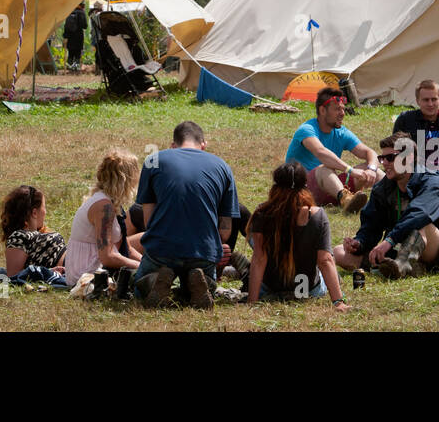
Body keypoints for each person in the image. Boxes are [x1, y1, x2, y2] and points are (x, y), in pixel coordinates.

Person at [336, 132, 439, 279]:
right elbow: (371, 225)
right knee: (339, 252)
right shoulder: (383, 188)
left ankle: (401, 266)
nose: (384, 163)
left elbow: (419, 213)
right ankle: (399, 267)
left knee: (420, 223)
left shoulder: (431, 182)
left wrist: (389, 241)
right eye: (382, 158)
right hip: (398, 247)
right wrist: (359, 243)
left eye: (390, 158)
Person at [132, 121, 239, 309]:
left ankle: (154, 280)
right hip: (203, 250)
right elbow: (225, 230)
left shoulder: (153, 160)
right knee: (200, 283)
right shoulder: (223, 167)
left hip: (162, 248)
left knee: (138, 288)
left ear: (173, 145)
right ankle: (200, 283)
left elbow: (148, 221)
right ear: (203, 144)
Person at [246, 162, 347, 311]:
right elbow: (325, 261)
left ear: (275, 187)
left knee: (253, 241)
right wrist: (338, 302)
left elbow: (260, 259)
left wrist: (252, 301)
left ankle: (242, 271)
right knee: (331, 268)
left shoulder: (262, 212)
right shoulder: (317, 216)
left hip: (271, 288)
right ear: (305, 187)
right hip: (307, 290)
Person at [284, 87, 383, 214]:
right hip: (302, 191)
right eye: (337, 109)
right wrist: (351, 171)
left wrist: (372, 169)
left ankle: (395, 200)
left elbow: (369, 152)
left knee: (374, 171)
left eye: (343, 109)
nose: (342, 113)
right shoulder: (306, 129)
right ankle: (346, 199)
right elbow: (321, 153)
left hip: (331, 188)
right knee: (324, 168)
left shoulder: (341, 132)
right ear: (322, 110)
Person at [63, 150, 143, 287]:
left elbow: (126, 248)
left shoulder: (110, 202)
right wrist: (141, 267)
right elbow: (107, 257)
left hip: (96, 269)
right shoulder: (103, 207)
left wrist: (146, 263)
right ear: (126, 179)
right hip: (87, 275)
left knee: (150, 271)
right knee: (144, 279)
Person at [392, 79, 439, 200]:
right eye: (426, 100)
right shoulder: (405, 119)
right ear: (417, 101)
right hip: (417, 173)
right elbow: (395, 150)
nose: (430, 104)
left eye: (434, 99)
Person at [2, 185, 68, 274]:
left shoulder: (35, 235)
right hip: (74, 267)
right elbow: (13, 275)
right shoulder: (18, 236)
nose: (46, 211)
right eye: (44, 207)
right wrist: (48, 272)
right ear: (34, 213)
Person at [62, 3, 87, 71]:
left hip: (70, 36)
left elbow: (66, 26)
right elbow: (85, 26)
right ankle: (76, 68)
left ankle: (69, 67)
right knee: (77, 53)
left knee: (71, 53)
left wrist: (65, 36)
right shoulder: (82, 13)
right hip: (78, 36)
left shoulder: (70, 12)